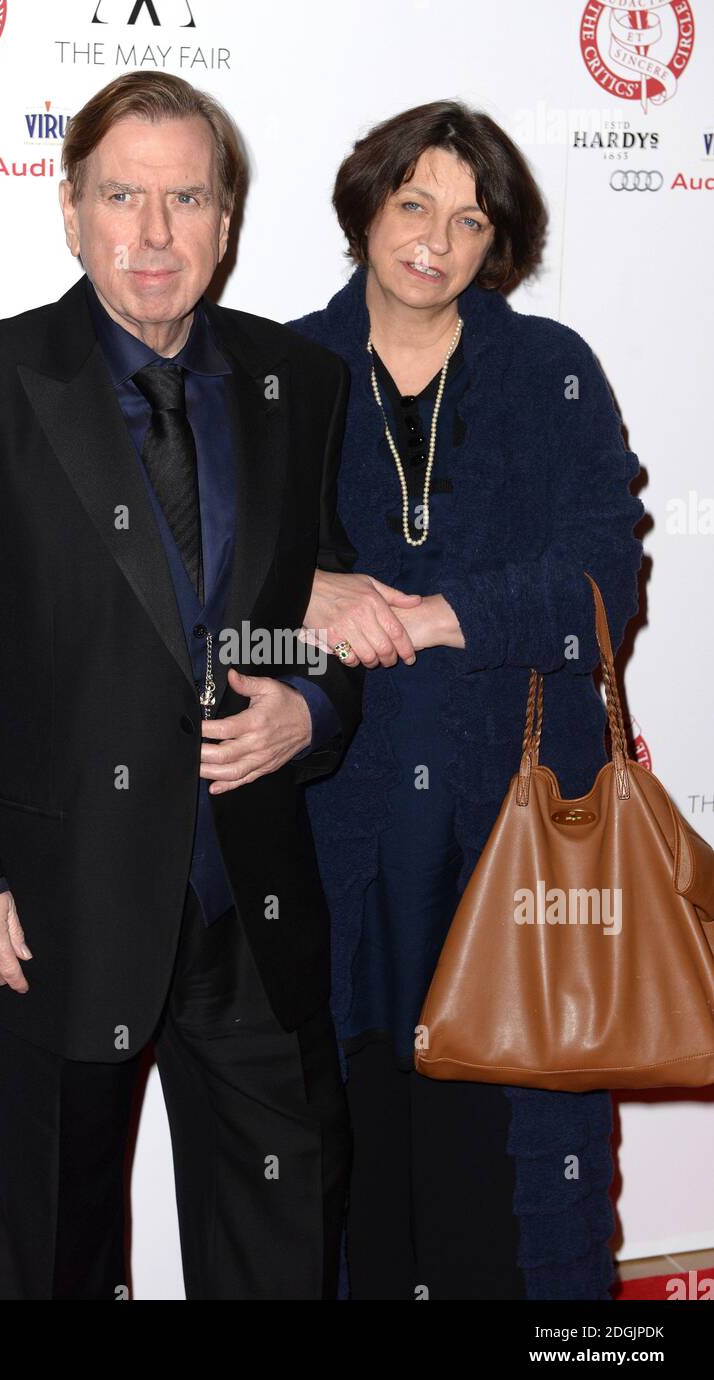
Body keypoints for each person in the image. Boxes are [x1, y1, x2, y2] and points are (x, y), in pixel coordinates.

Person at [0, 72, 364, 1301]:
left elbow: (325, 607)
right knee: (58, 1258)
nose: (153, 236)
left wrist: (309, 711)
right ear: (71, 209)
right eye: (123, 197)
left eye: (185, 198)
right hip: (50, 916)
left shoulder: (292, 384)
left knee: (282, 1249)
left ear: (228, 219)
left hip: (246, 906)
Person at [290, 99, 645, 1300]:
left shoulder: (552, 372)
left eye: (470, 219)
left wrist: (445, 616)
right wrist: (310, 586)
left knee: (524, 1180)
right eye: (413, 205)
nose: (435, 240)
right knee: (355, 1155)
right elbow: (214, 578)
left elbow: (607, 566)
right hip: (342, 833)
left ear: (499, 245)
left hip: (521, 836)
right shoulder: (280, 372)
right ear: (367, 209)